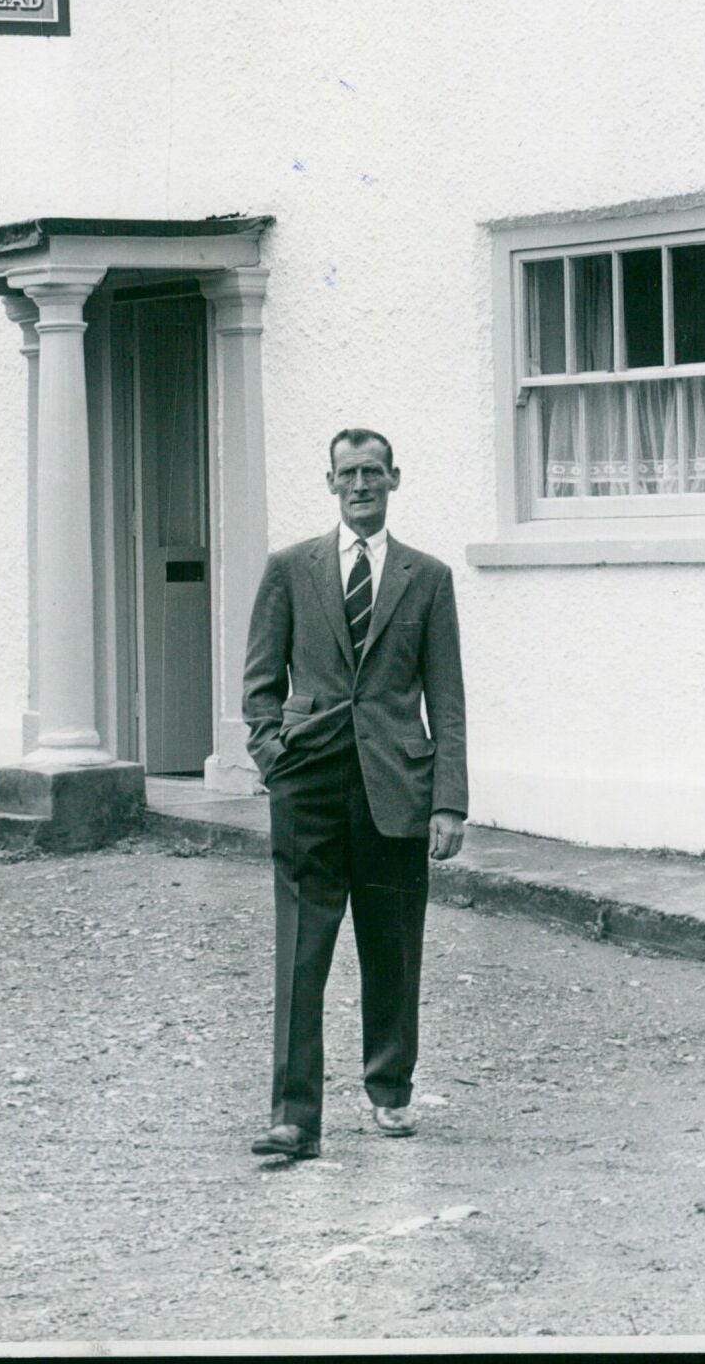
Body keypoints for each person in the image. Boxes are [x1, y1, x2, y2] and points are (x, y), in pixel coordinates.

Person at [243, 428, 468, 1161]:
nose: (361, 484)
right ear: (331, 482)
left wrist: (448, 801)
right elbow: (259, 683)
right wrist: (273, 755)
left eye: (373, 472)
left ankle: (389, 1090)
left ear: (394, 479)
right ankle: (293, 1119)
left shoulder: (426, 577)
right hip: (308, 785)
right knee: (300, 953)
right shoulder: (290, 569)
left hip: (395, 789)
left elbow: (448, 698)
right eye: (349, 473)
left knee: (392, 947)